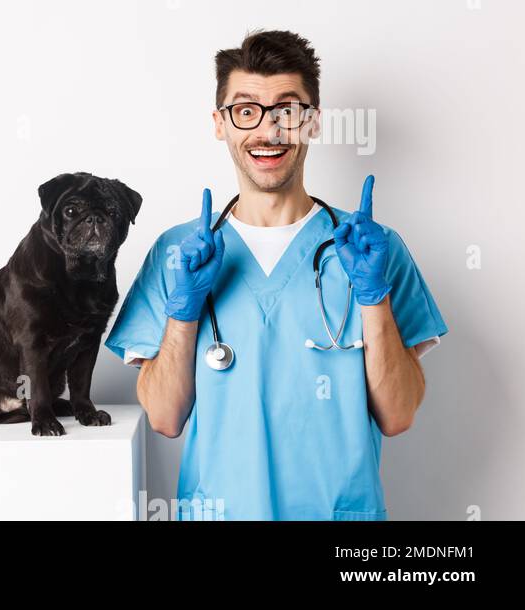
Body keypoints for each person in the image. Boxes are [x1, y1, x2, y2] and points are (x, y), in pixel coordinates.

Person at [104, 30, 447, 520]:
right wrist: (183, 314)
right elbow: (164, 418)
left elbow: (398, 415)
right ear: (220, 124)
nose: (268, 132)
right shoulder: (179, 252)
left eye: (287, 111)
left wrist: (374, 296)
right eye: (246, 111)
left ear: (314, 123)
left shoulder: (373, 247)